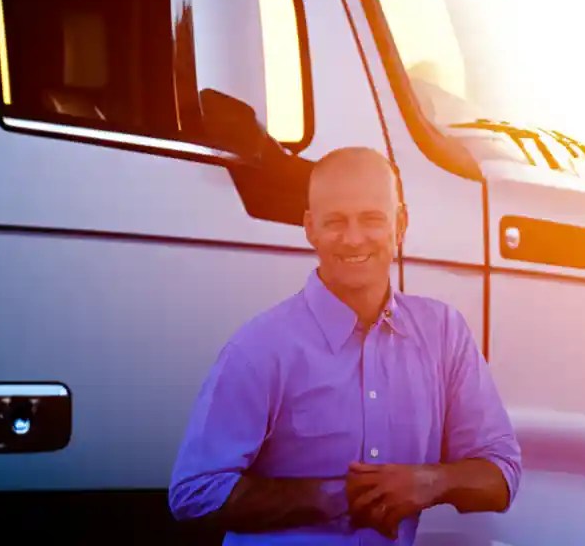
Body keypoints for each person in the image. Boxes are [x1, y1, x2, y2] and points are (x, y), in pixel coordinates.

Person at [168, 146, 520, 544]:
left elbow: (501, 472)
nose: (353, 239)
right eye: (335, 221)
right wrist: (340, 496)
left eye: (371, 219)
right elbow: (193, 494)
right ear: (310, 228)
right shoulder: (259, 347)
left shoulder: (444, 333)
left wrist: (428, 482)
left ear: (400, 224)